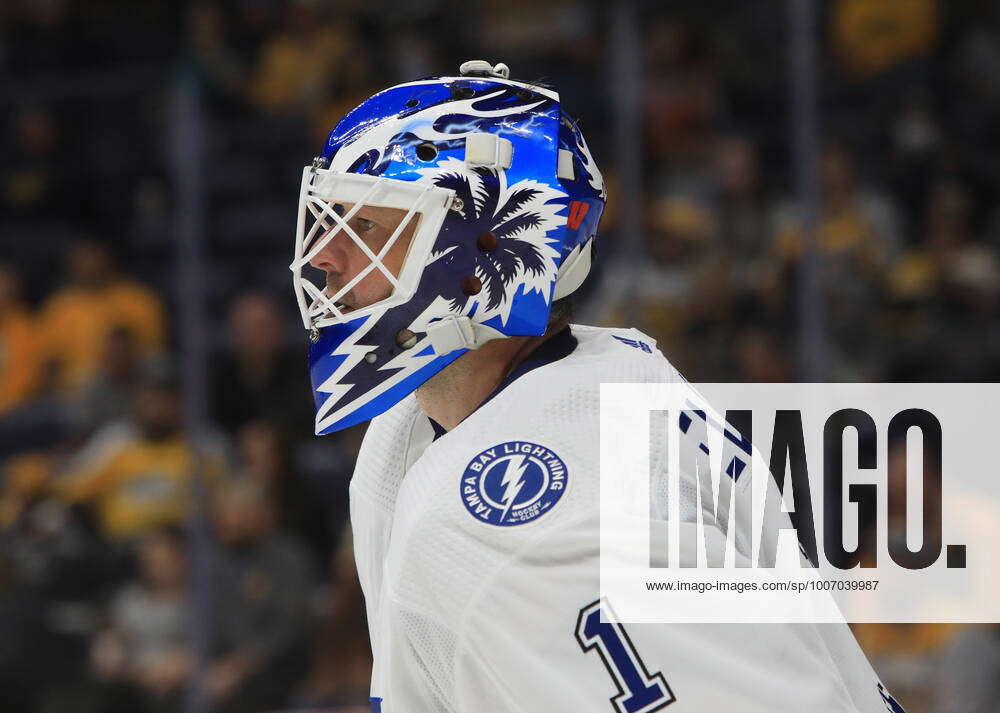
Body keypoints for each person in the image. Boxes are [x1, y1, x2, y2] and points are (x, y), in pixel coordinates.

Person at [288, 60, 906, 712]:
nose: (324, 257)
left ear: (484, 251)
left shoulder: (506, 507)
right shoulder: (557, 390)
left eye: (364, 227)